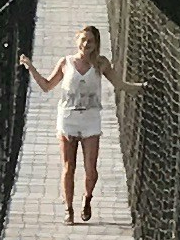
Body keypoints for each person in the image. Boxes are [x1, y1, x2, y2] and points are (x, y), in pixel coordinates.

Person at [24, 21, 133, 225]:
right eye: (83, 40)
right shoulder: (66, 63)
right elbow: (47, 86)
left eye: (91, 41)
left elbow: (119, 84)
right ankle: (68, 209)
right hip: (68, 119)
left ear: (96, 43)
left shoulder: (101, 64)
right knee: (69, 167)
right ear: (77, 41)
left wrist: (142, 88)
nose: (86, 44)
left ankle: (87, 198)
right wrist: (31, 68)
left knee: (91, 168)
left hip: (91, 119)